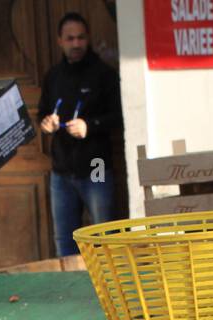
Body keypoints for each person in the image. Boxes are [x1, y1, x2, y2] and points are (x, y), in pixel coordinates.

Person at [38, 13, 121, 257]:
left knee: (105, 237)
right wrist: (47, 123)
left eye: (81, 38)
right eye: (70, 38)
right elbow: (42, 113)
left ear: (88, 39)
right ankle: (69, 292)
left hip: (96, 167)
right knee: (64, 240)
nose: (76, 44)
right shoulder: (53, 76)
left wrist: (90, 125)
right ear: (59, 41)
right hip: (61, 171)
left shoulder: (104, 74)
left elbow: (118, 116)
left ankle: (111, 290)